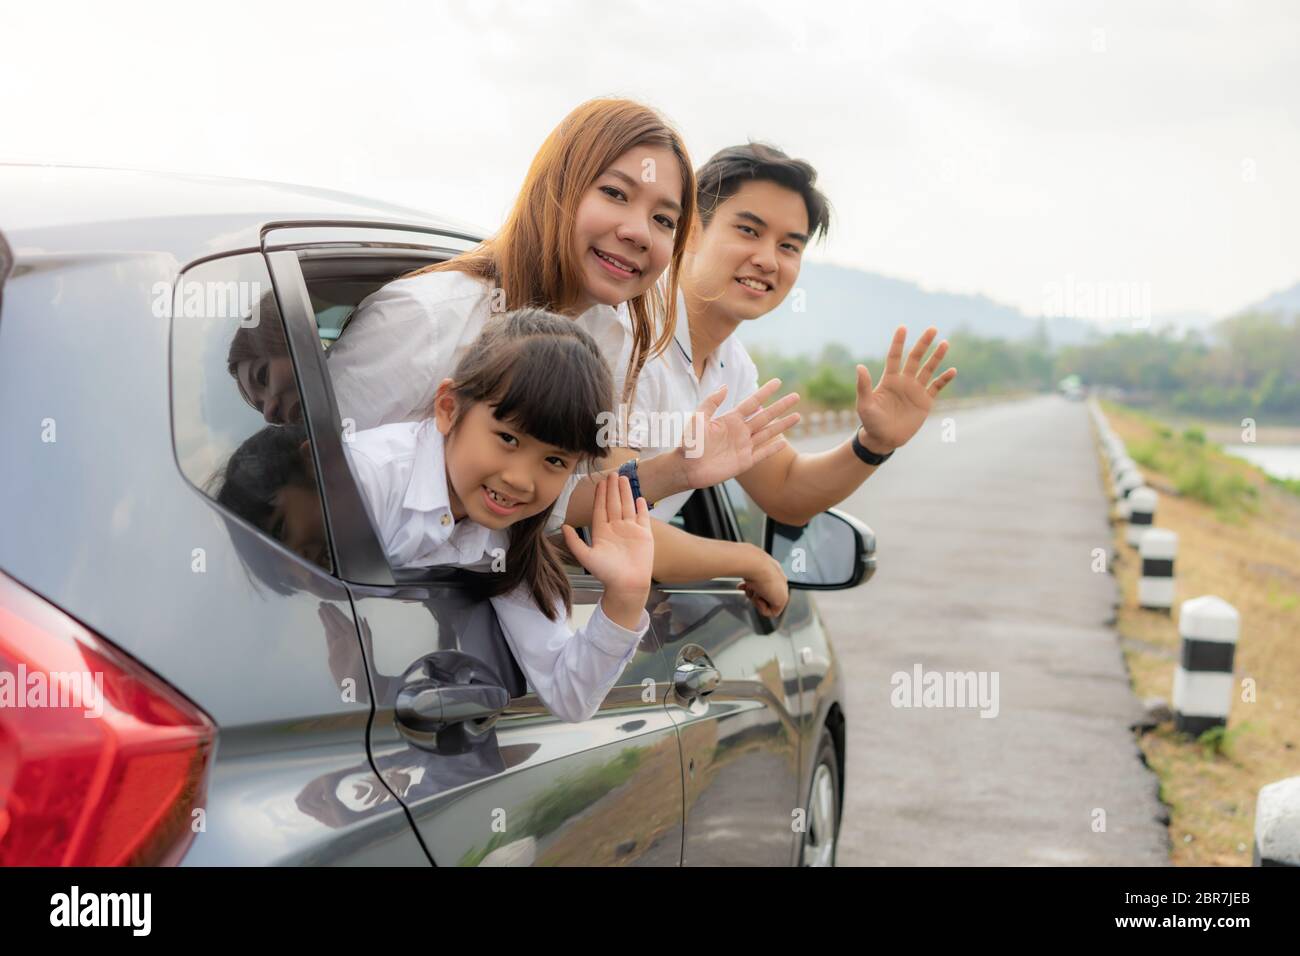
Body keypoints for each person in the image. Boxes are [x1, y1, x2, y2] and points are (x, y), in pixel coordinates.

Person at [595, 142, 958, 598]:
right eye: (748, 230)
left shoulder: (731, 362)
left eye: (789, 246)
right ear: (690, 230)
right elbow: (606, 518)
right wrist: (751, 561)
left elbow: (785, 490)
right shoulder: (622, 335)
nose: (769, 260)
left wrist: (874, 444)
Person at [343, 309, 654, 724]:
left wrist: (626, 597)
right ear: (448, 408)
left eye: (555, 461)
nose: (521, 480)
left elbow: (569, 697)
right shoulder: (365, 479)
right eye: (508, 438)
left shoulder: (510, 540)